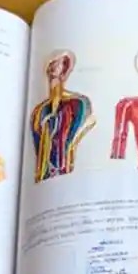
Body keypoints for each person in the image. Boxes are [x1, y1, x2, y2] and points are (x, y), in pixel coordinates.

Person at [31, 50, 95, 183]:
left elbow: (79, 131)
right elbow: (38, 145)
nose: (54, 66)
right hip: (45, 174)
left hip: (66, 170)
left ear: (66, 69)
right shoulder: (40, 110)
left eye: (60, 63)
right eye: (52, 62)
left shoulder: (78, 103)